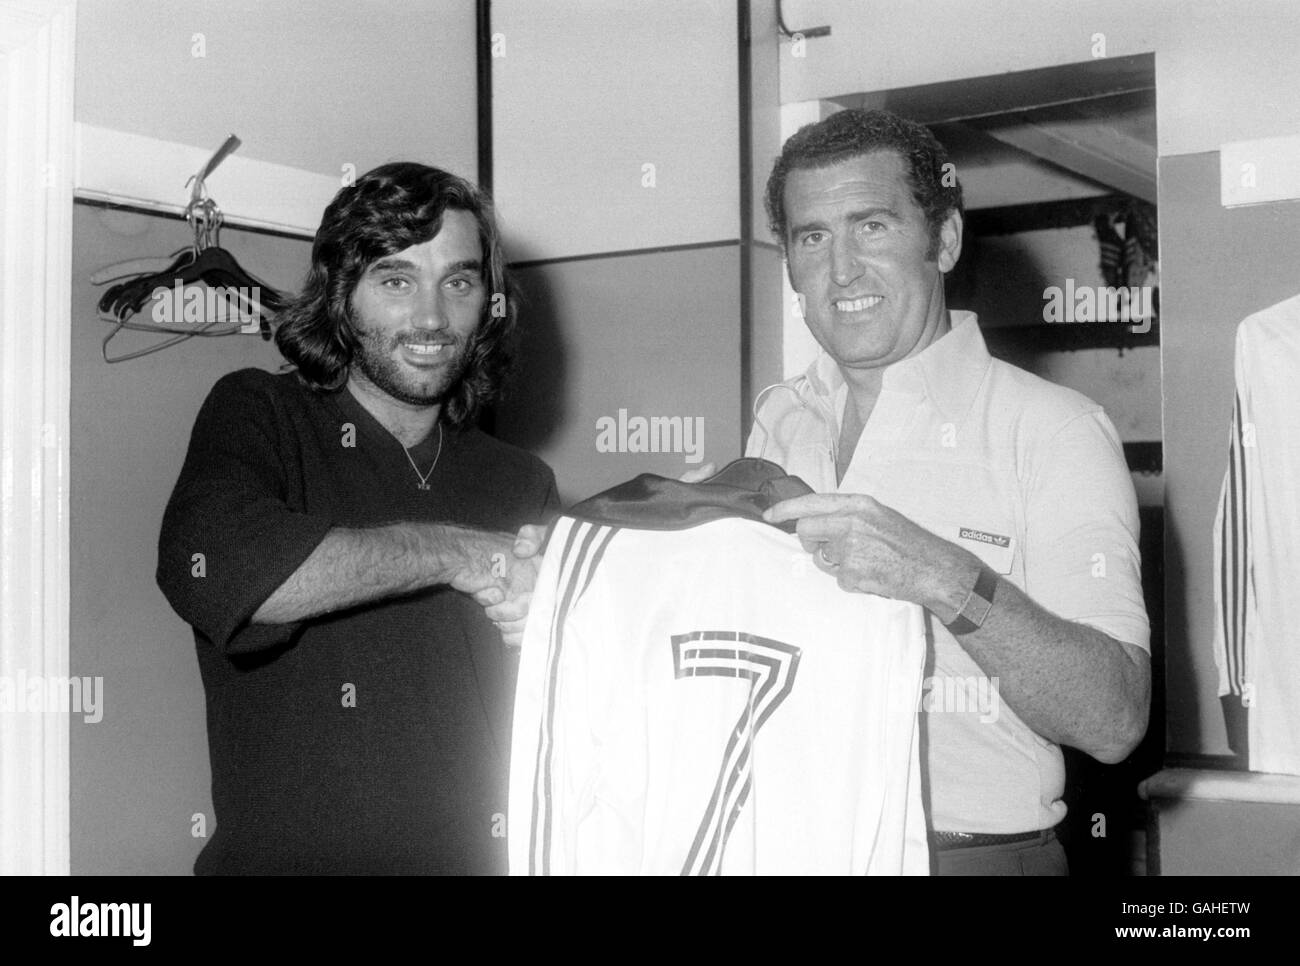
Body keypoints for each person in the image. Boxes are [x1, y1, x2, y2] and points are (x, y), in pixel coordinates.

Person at [749, 109, 1151, 875]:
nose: (841, 272)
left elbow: (1114, 716)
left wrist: (939, 576)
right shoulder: (778, 420)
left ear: (945, 240)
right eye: (812, 237)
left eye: (871, 226)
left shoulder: (1055, 430)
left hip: (972, 858)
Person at [156, 162, 557, 875]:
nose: (432, 317)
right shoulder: (261, 414)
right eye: (396, 281)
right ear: (342, 296)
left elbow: (561, 710)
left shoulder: (520, 481)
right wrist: (459, 554)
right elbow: (217, 572)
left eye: (459, 283)